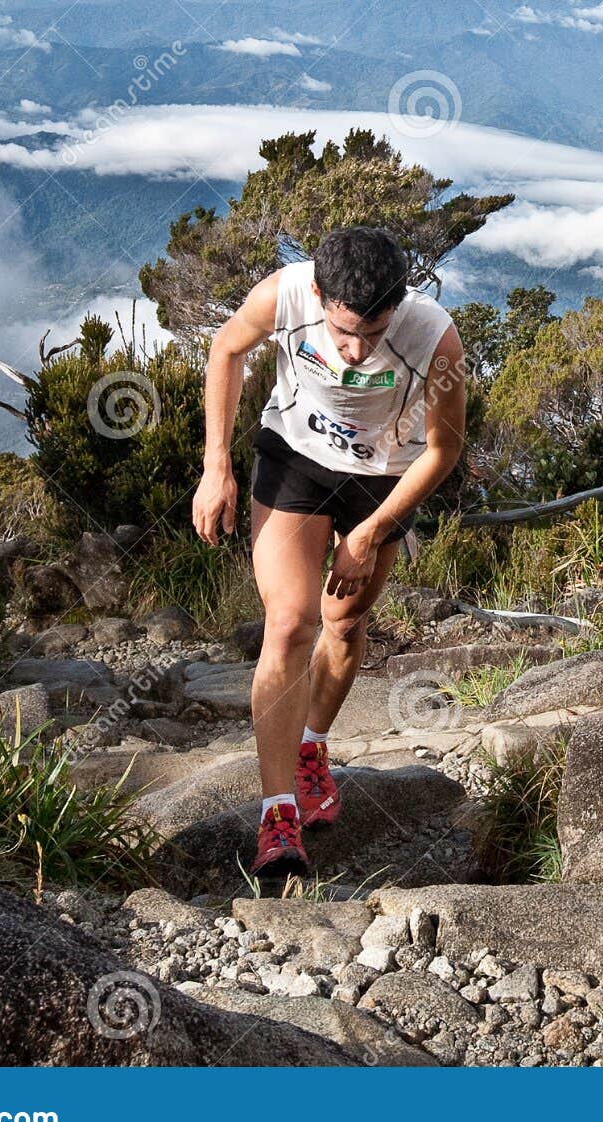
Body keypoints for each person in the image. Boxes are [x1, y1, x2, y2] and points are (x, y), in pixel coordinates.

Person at [192, 225, 466, 877]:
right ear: (319, 294)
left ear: (397, 306)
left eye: (373, 334)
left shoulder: (434, 337)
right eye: (343, 331)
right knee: (290, 623)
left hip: (383, 477)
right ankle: (278, 818)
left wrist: (368, 533)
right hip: (296, 457)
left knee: (343, 623)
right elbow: (227, 349)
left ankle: (311, 746)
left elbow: (444, 450)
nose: (354, 350)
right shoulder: (285, 294)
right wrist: (216, 464)